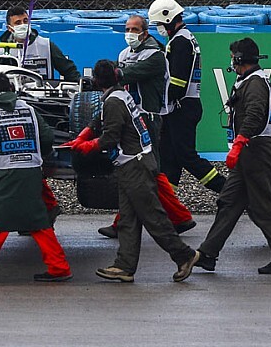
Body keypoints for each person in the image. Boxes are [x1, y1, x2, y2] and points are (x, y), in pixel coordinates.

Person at [63, 60, 198, 284]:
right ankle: (124, 266)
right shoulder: (121, 95)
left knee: (153, 218)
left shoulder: (114, 102)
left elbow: (110, 137)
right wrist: (85, 133)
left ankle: (185, 256)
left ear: (96, 81)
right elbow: (102, 119)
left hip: (135, 167)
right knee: (127, 219)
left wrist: (85, 146)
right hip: (133, 164)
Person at [0, 73, 72, 283]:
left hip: (3, 172)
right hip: (32, 171)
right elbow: (47, 138)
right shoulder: (30, 109)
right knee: (37, 220)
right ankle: (59, 266)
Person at [194, 37, 271, 276]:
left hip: (256, 151)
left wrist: (239, 143)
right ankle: (208, 253)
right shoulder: (253, 82)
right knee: (229, 202)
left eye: (233, 57)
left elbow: (255, 114)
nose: (231, 61)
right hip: (251, 151)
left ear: (240, 59)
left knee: (265, 206)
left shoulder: (255, 84)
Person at [97, 14, 195, 238]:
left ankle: (169, 218)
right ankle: (178, 217)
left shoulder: (156, 55)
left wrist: (107, 74)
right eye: (127, 28)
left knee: (141, 170)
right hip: (132, 117)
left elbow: (127, 74)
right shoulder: (124, 54)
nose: (129, 33)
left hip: (148, 117)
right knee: (144, 170)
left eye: (134, 29)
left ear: (145, 32)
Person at [0, 5, 83, 223]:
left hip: (43, 107)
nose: (23, 26)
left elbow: (70, 71)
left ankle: (40, 212)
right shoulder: (1, 47)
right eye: (18, 23)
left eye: (25, 20)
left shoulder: (45, 45)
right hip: (12, 111)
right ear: (9, 26)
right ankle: (41, 211)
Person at [148, 0, 225, 195]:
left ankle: (228, 191)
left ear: (168, 19)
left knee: (186, 156)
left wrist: (160, 99)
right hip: (181, 107)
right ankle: (167, 201)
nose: (158, 28)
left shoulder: (181, 41)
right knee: (169, 158)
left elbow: (178, 84)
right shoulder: (182, 38)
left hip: (181, 107)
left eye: (158, 24)